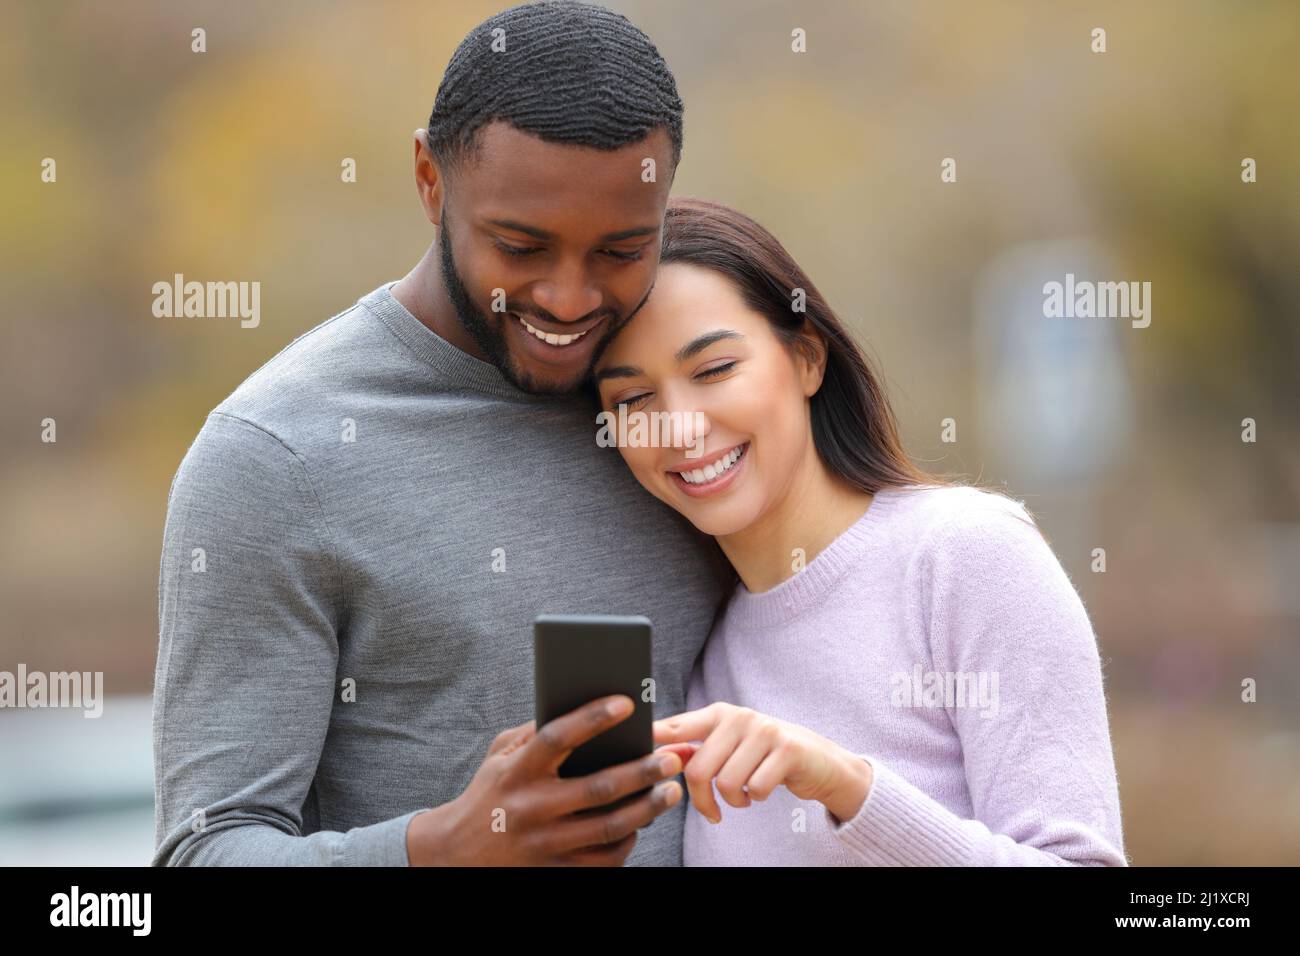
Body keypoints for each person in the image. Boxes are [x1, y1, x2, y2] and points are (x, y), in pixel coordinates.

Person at [152, 1, 727, 867]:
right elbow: (202, 853)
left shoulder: (693, 417)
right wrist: (442, 847)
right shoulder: (273, 456)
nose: (569, 300)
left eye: (620, 251)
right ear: (430, 179)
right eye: (520, 247)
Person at [590, 197, 1129, 865]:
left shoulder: (966, 554)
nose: (680, 427)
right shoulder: (697, 647)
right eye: (633, 399)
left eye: (714, 370)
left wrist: (848, 787)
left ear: (807, 358)